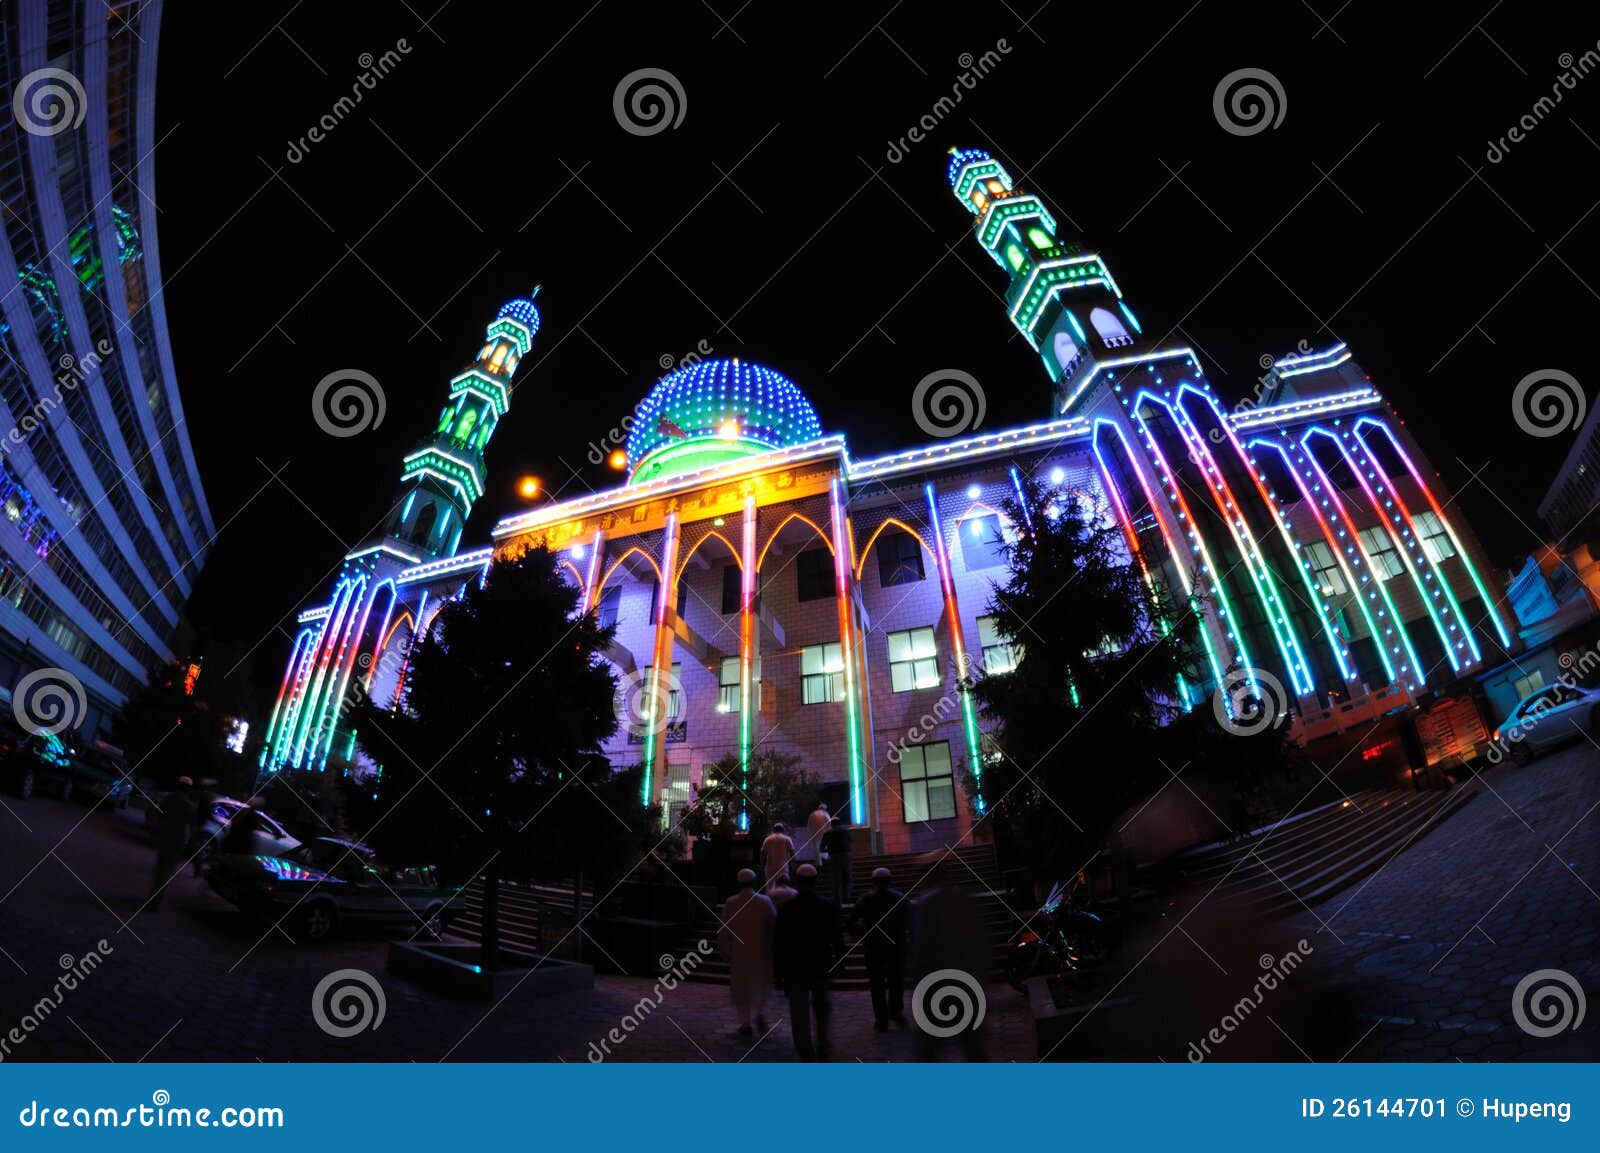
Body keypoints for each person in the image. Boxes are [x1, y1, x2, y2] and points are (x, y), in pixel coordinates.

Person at [909, 853, 989, 1060]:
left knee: (928, 1048)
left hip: (937, 982)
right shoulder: (963, 898)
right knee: (973, 1047)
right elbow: (979, 939)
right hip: (967, 979)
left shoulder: (925, 904)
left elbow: (921, 948)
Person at [772, 863, 840, 1061]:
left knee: (799, 1014)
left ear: (798, 881)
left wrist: (779, 973)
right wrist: (838, 961)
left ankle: (805, 1052)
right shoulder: (827, 906)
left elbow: (779, 943)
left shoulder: (786, 910)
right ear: (816, 881)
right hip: (820, 965)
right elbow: (836, 938)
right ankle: (823, 1045)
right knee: (822, 1009)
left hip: (795, 969)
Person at [718, 868, 776, 1037]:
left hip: (739, 952)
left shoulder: (731, 902)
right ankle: (759, 1013)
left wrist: (725, 950)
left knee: (741, 988)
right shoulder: (765, 901)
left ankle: (745, 1022)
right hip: (761, 950)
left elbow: (724, 930)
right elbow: (774, 925)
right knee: (760, 984)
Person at [853, 866, 907, 1031]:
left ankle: (881, 1019)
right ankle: (896, 1013)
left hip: (873, 948)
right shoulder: (900, 898)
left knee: (876, 985)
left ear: (873, 882)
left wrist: (863, 936)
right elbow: (910, 921)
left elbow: (851, 921)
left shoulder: (865, 899)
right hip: (895, 946)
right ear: (890, 880)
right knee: (896, 982)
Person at [147, 777, 196, 911]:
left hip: (164, 836)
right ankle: (156, 898)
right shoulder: (189, 805)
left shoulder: (168, 799)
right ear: (189, 789)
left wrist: (155, 829)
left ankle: (154, 896)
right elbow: (192, 827)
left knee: (160, 867)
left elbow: (157, 814)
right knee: (166, 870)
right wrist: (191, 843)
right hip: (177, 840)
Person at [821, 817, 853, 907]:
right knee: (847, 876)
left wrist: (828, 851)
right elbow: (850, 841)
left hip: (834, 856)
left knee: (836, 877)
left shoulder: (828, 832)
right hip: (846, 855)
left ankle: (837, 898)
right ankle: (847, 897)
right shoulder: (845, 831)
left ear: (831, 824)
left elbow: (822, 847)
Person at [760, 821, 795, 889]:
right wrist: (793, 866)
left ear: (774, 830)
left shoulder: (768, 839)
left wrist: (762, 866)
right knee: (784, 889)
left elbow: (763, 853)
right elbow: (792, 853)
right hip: (783, 868)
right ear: (783, 830)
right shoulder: (787, 839)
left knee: (770, 889)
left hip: (770, 869)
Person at [798, 801, 830, 868]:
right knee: (826, 845)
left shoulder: (812, 814)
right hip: (824, 832)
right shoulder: (825, 813)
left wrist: (810, 832)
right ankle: (826, 860)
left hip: (814, 833)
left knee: (816, 847)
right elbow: (829, 823)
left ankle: (818, 863)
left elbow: (809, 824)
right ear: (824, 808)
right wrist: (828, 831)